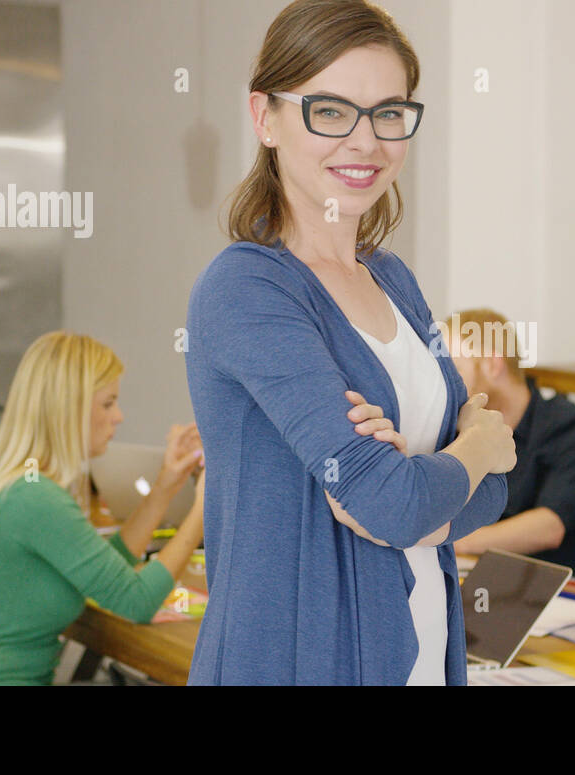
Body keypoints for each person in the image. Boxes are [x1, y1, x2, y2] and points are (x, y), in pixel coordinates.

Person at [184, 0, 514, 685]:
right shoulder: (245, 289)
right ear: (265, 117)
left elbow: (489, 496)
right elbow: (397, 500)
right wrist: (477, 446)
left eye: (389, 113)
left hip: (420, 653)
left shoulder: (394, 280)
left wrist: (421, 493)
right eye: (330, 111)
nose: (366, 141)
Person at [0, 331, 206, 685]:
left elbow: (110, 569)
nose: (118, 416)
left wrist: (166, 486)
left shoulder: (19, 481)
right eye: (108, 404)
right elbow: (136, 600)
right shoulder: (35, 498)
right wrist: (205, 507)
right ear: (68, 408)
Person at [443, 308, 575, 578]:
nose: (447, 382)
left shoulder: (573, 428)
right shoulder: (462, 427)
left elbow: (548, 528)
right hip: (484, 583)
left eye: (456, 369)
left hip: (560, 597)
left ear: (492, 365)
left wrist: (451, 539)